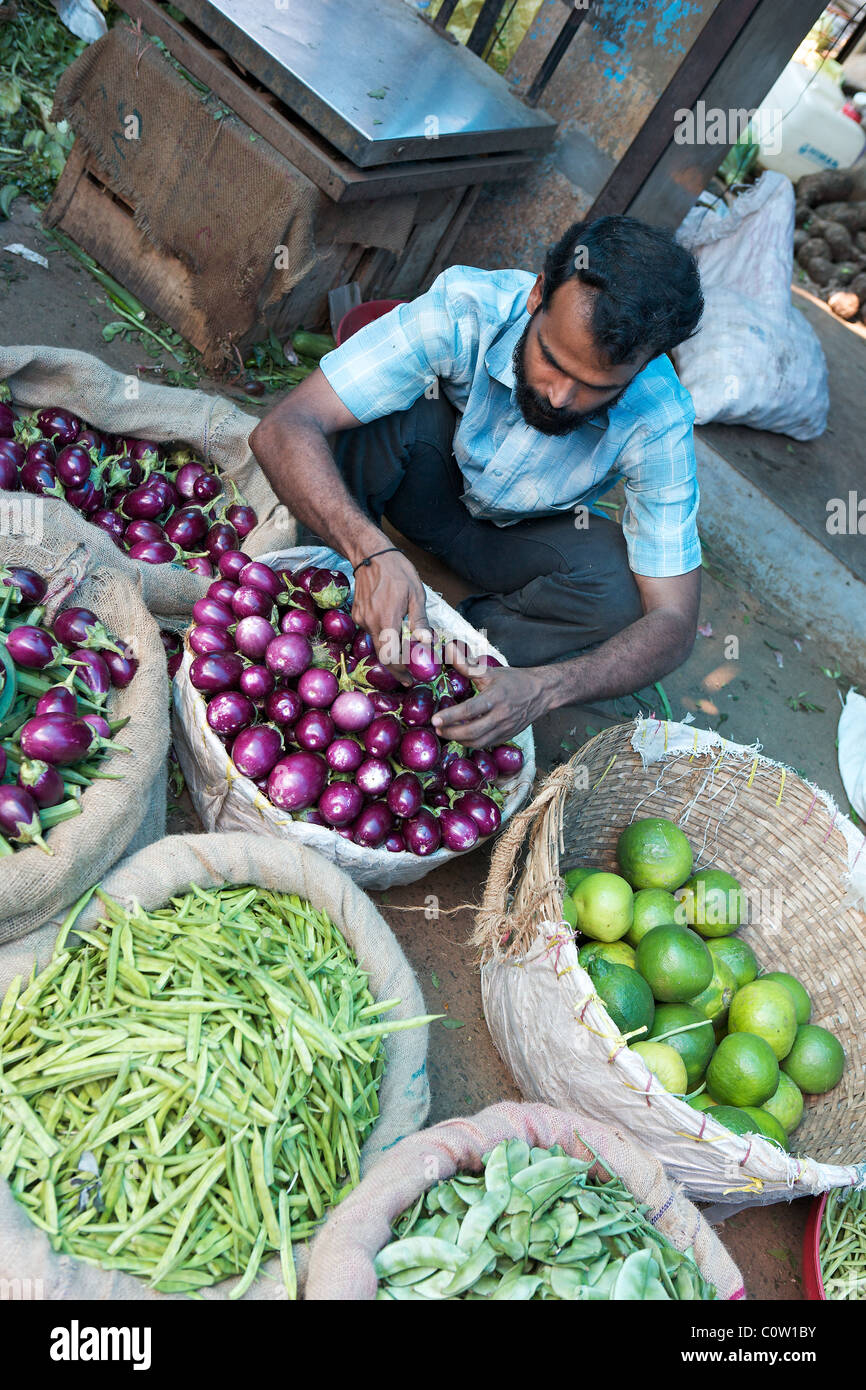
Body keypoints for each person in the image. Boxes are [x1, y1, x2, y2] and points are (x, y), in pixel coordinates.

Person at [249, 215, 704, 748]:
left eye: (594, 387)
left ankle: (461, 652)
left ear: (645, 364)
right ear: (538, 294)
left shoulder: (661, 415)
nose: (560, 396)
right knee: (380, 413)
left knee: (618, 591)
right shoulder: (466, 308)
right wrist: (370, 550)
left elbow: (673, 621)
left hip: (514, 536)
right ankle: (330, 590)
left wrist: (546, 688)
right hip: (422, 482)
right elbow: (284, 427)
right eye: (551, 361)